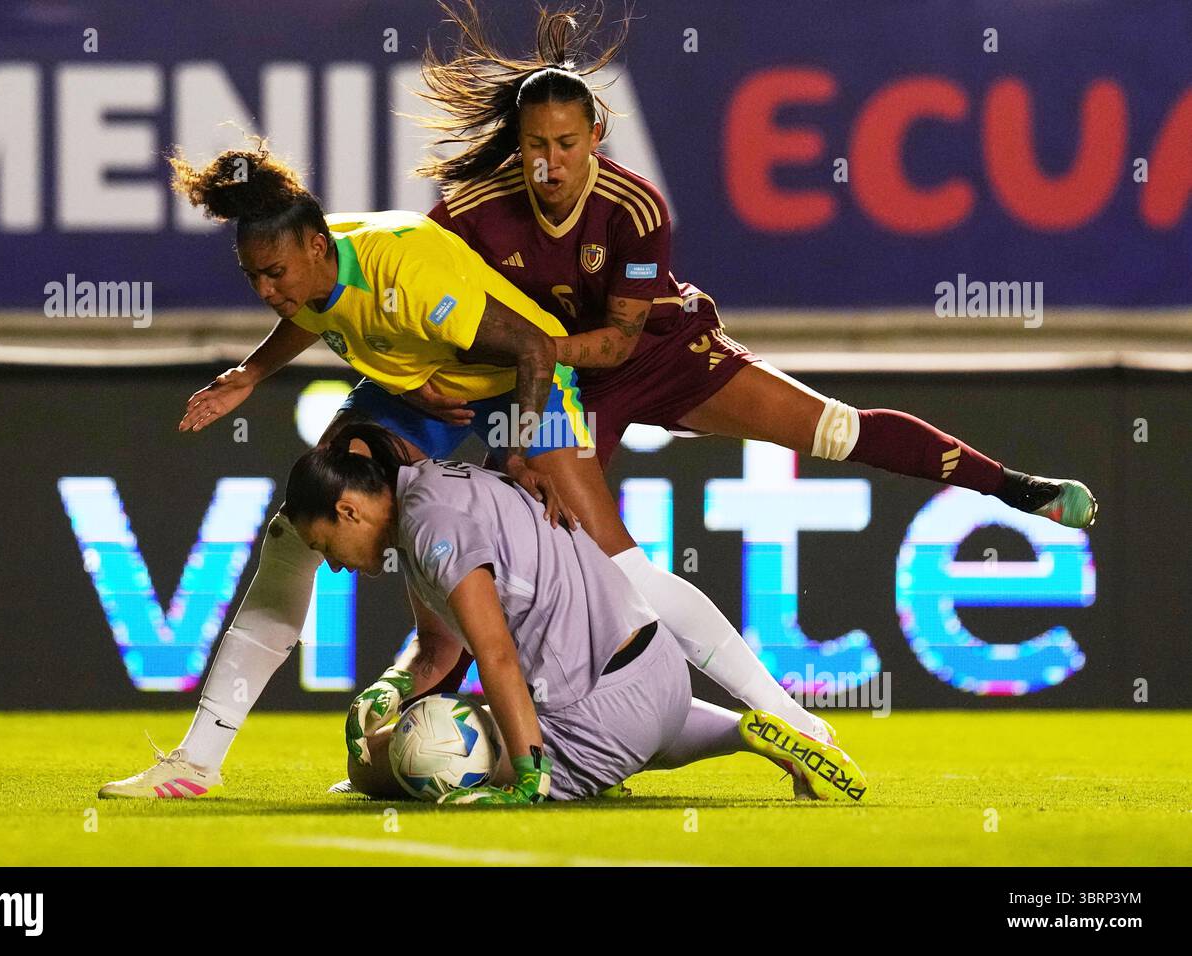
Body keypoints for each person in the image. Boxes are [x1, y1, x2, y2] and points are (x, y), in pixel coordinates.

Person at [96, 138, 843, 800]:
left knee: (616, 569)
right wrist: (252, 374)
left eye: (276, 273)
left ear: (319, 248)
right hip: (417, 387)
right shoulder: (312, 267)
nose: (268, 291)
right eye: (255, 277)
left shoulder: (408, 272)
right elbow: (310, 312)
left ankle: (788, 717)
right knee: (294, 531)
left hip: (518, 380)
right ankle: (198, 761)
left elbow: (531, 346)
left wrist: (519, 449)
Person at [405, 0, 1099, 530]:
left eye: (564, 143)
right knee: (530, 525)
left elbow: (619, 341)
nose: (548, 163)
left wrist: (530, 349)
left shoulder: (635, 209)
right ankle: (429, 687)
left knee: (834, 430)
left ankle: (1014, 487)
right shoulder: (468, 210)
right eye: (533, 145)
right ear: (516, 142)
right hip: (562, 384)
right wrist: (421, 371)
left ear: (596, 135)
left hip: (661, 354)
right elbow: (403, 289)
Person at [122, 423, 870, 804]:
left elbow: (495, 653)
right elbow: (438, 654)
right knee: (387, 737)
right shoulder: (435, 492)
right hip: (662, 679)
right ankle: (746, 732)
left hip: (596, 713)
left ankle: (560, 764)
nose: (338, 564)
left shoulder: (428, 528)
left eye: (326, 544)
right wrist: (384, 692)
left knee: (397, 761)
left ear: (349, 507)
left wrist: (529, 774)